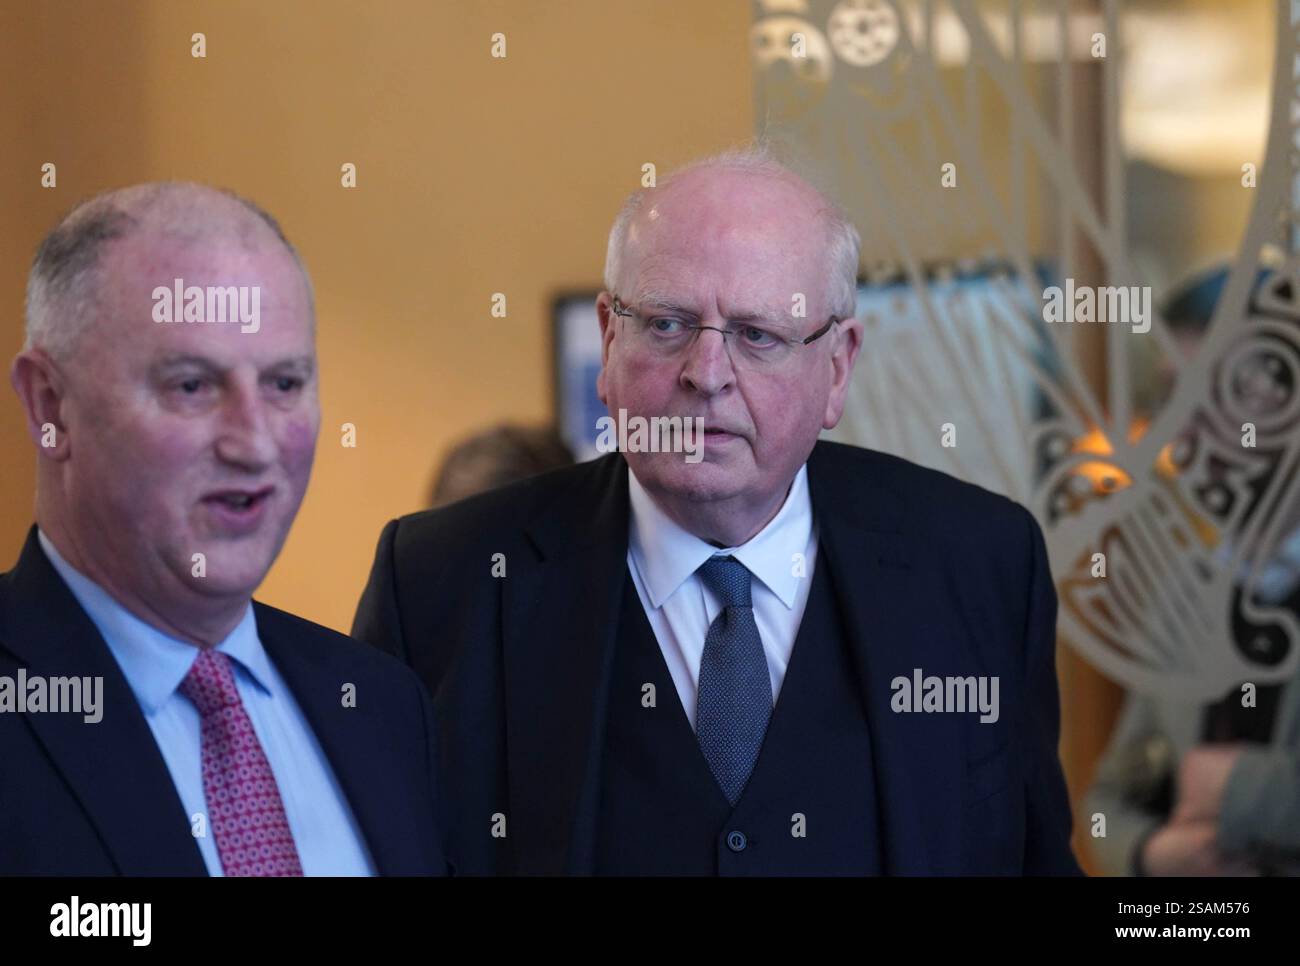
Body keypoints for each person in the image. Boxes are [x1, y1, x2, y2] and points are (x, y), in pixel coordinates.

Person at [353, 146, 1082, 875]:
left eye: (757, 335)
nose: (706, 375)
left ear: (837, 368)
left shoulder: (980, 566)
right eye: (667, 324)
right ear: (610, 342)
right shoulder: (440, 584)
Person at [1, 183, 447, 876]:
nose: (256, 444)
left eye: (284, 384)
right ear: (50, 404)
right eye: (191, 385)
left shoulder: (383, 706)